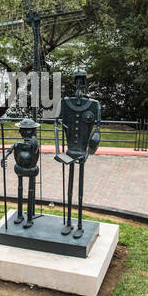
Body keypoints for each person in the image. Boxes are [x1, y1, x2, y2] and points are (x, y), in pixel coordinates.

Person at [54, 73, 101, 238]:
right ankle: (68, 222)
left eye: (82, 81)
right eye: (77, 81)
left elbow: (96, 133)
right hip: (70, 151)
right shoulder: (65, 103)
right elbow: (56, 123)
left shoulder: (94, 105)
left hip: (82, 152)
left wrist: (88, 152)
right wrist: (59, 149)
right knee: (69, 189)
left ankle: (80, 224)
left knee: (79, 190)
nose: (79, 85)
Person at [1, 117, 41, 228]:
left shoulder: (33, 142)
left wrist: (20, 144)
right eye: (21, 130)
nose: (21, 132)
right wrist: (5, 156)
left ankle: (29, 217)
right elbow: (12, 149)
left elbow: (33, 147)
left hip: (31, 169)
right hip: (20, 168)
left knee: (30, 191)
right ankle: (20, 215)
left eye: (24, 130)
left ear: (31, 131)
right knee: (20, 190)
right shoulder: (18, 144)